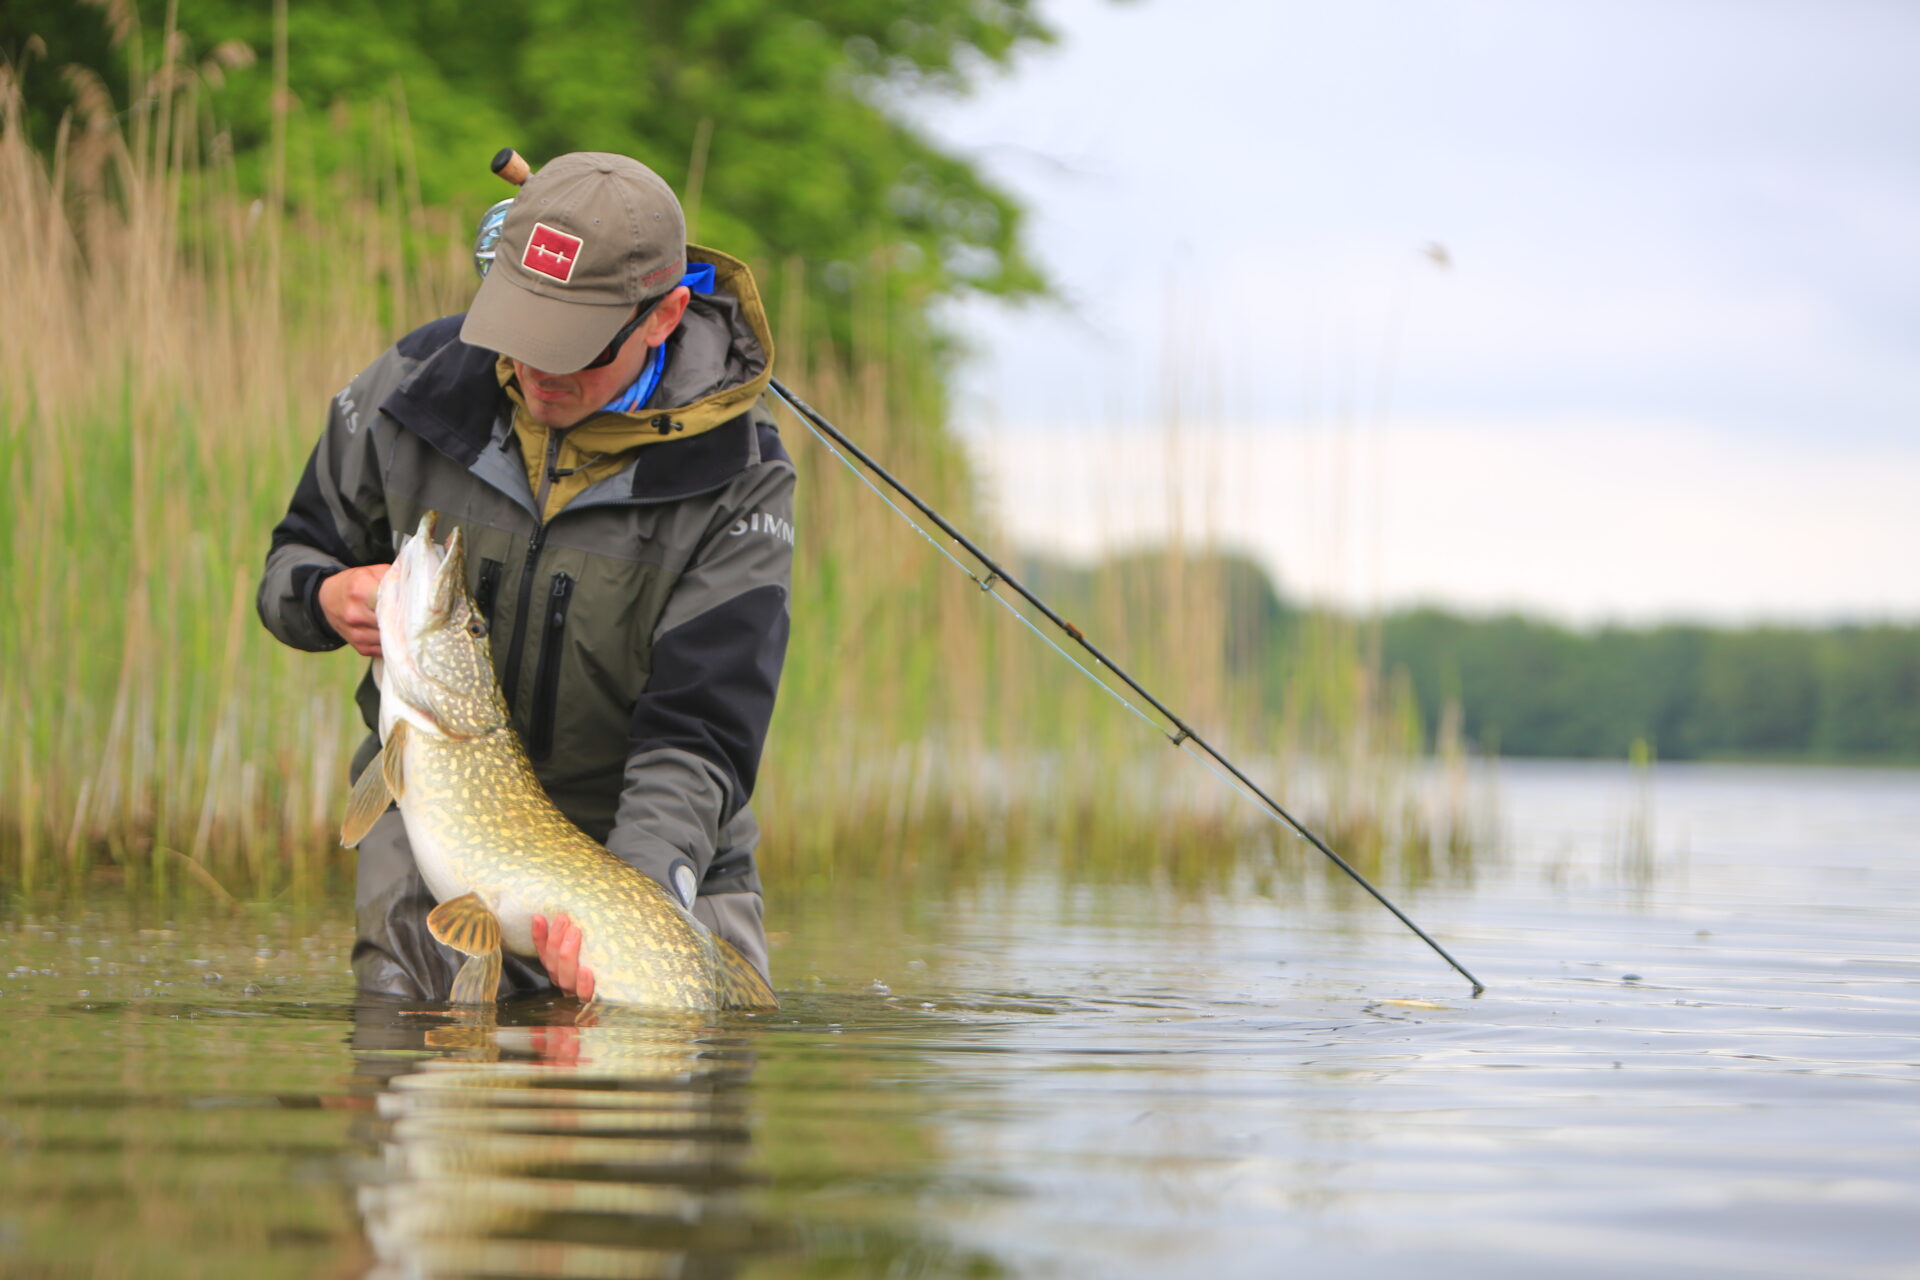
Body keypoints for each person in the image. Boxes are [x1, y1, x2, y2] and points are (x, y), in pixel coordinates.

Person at [256, 152, 792, 1000]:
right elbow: (290, 563)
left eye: (573, 345)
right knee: (416, 1083)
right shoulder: (412, 387)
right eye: (523, 326)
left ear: (665, 316)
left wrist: (635, 900)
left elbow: (700, 735)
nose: (539, 367)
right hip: (439, 836)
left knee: (678, 1059)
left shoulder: (742, 472)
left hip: (658, 846)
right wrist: (324, 597)